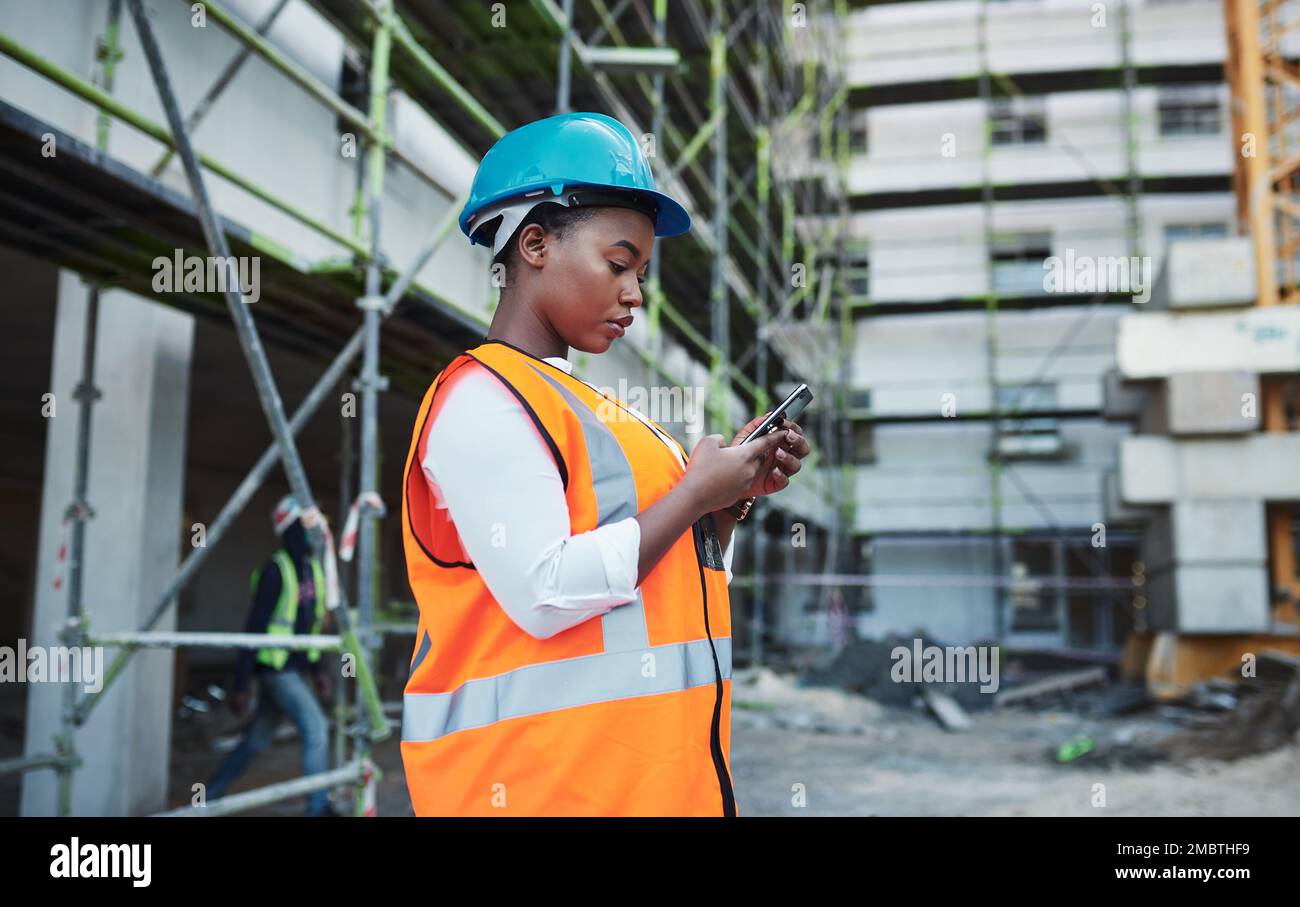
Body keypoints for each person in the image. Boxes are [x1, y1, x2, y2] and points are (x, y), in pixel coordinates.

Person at [399, 111, 812, 816]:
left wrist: (722, 509)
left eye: (642, 272)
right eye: (619, 263)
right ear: (534, 243)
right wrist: (690, 496)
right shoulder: (481, 399)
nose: (636, 294)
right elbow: (548, 591)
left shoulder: (598, 412)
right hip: (537, 794)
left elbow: (655, 589)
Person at [206, 495, 336, 816]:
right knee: (317, 729)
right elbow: (253, 629)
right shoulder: (275, 572)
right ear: (290, 528)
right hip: (276, 670)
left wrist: (318, 669)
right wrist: (241, 683)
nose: (314, 531)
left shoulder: (312, 571)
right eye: (307, 525)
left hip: (294, 669)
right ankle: (318, 808)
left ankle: (208, 798)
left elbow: (310, 628)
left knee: (255, 740)